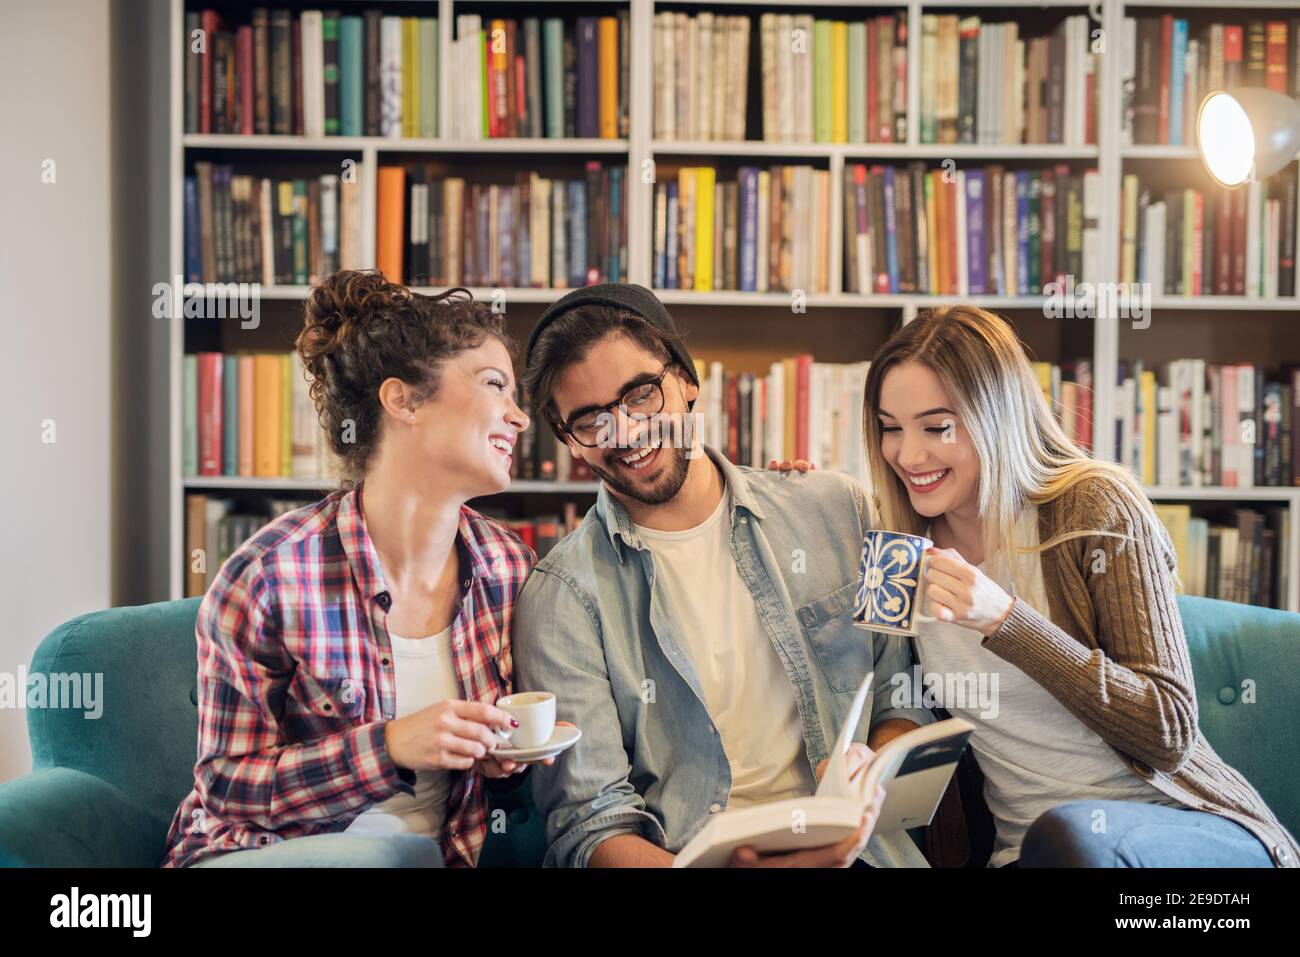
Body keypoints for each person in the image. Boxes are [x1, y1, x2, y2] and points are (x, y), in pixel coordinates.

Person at [855, 303, 1298, 868]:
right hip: (1032, 855)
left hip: (1181, 835)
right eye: (890, 428)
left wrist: (1006, 620)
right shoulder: (898, 543)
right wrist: (793, 489)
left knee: (1069, 837)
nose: (908, 455)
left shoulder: (1091, 507)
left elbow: (1168, 730)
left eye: (937, 427)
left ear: (997, 416)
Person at [511, 283, 927, 868]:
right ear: (567, 440)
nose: (625, 433)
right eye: (590, 420)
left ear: (685, 380)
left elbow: (900, 694)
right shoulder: (561, 598)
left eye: (640, 395)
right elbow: (592, 824)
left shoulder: (839, 508)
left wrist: (872, 771)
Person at [162, 270, 540, 868]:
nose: (519, 417)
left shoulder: (511, 570)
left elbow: (503, 783)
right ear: (404, 399)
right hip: (268, 855)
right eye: (496, 385)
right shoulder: (268, 575)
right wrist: (388, 748)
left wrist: (502, 761)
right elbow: (228, 786)